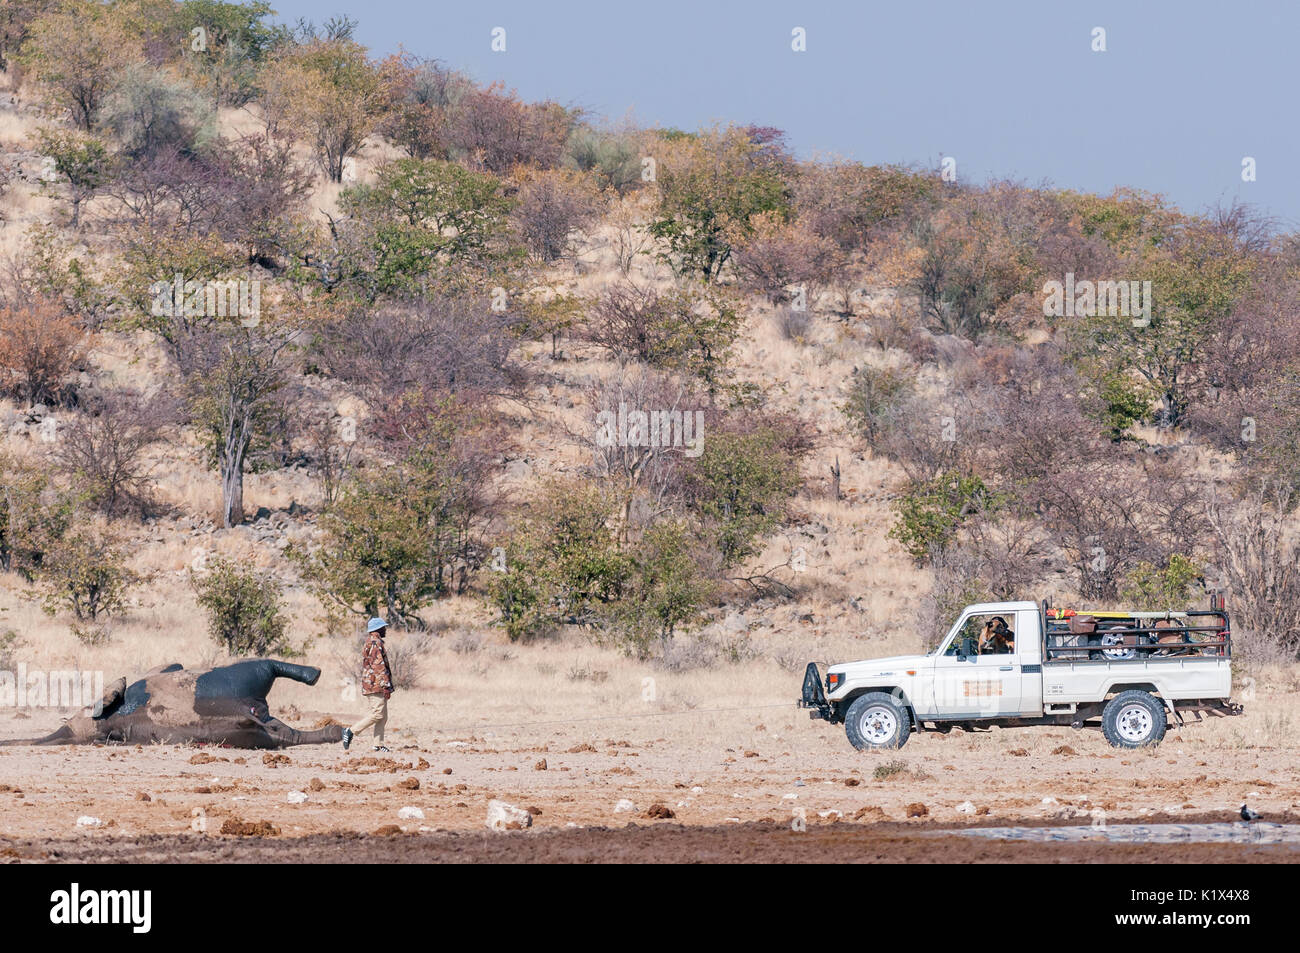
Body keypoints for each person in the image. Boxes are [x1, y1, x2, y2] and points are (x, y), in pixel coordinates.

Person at [343, 617, 394, 752]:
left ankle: (378, 744)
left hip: (373, 683)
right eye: (383, 627)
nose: (385, 629)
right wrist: (385, 685)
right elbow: (379, 667)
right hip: (375, 684)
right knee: (378, 714)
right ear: (377, 629)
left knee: (382, 715)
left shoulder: (371, 642)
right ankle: (350, 731)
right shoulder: (375, 643)